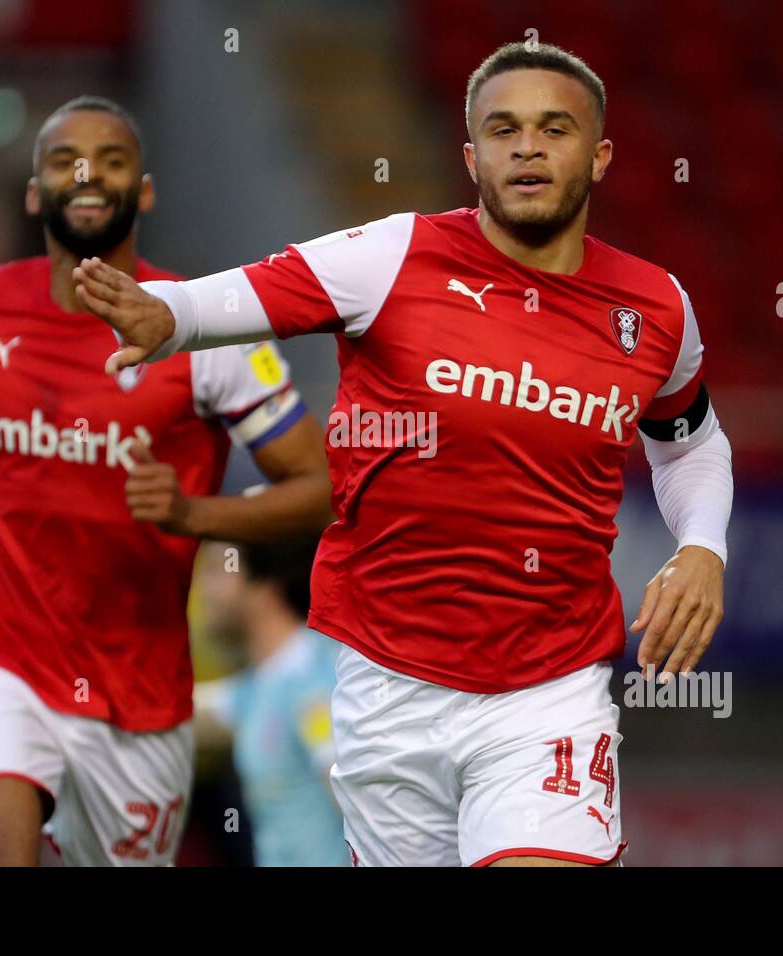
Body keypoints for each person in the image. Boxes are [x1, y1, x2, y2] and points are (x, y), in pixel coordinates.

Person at [75, 43, 734, 867]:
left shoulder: (655, 307)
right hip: (384, 682)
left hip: (549, 690)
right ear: (471, 156)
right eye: (503, 129)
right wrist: (163, 314)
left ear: (598, 155)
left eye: (553, 128)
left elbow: (691, 443)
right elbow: (247, 292)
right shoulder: (392, 257)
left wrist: (702, 545)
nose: (526, 147)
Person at [0, 96, 333, 866]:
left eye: (111, 161)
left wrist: (194, 512)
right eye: (63, 160)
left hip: (137, 690)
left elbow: (316, 490)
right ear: (33, 191)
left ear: (143, 191)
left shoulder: (206, 329)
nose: (86, 176)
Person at [193, 536, 346, 866]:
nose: (203, 588)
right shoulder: (258, 686)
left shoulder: (312, 674)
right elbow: (181, 715)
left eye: (216, 570)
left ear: (262, 583)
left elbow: (354, 803)